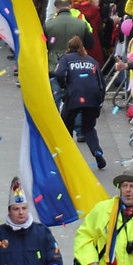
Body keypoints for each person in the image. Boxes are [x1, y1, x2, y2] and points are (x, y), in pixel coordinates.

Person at [54, 36, 106, 168]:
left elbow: (59, 74)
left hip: (74, 97)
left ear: (69, 47)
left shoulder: (65, 59)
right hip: (92, 97)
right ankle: (97, 152)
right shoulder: (91, 61)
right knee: (88, 128)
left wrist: (64, 86)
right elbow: (101, 82)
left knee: (66, 127)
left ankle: (67, 158)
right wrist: (99, 101)